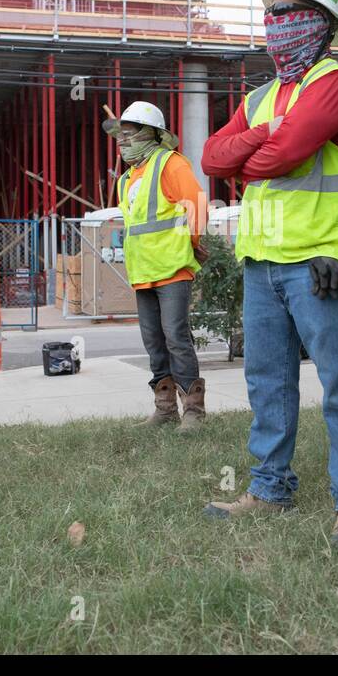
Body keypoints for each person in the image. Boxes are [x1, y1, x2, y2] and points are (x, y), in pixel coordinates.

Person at [201, 0, 338, 548]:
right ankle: (269, 487)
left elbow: (285, 156)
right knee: (266, 380)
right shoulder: (260, 97)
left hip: (318, 262)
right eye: (270, 14)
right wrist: (259, 142)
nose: (274, 26)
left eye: (286, 14)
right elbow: (210, 157)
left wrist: (250, 152)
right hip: (262, 262)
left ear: (319, 25)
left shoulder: (337, 84)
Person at [105, 101, 208, 433]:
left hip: (173, 267)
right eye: (119, 137)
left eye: (128, 134)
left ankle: (193, 411)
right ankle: (164, 410)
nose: (121, 142)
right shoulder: (126, 180)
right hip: (143, 273)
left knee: (176, 337)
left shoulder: (170, 164)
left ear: (150, 134)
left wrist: (190, 244)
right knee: (154, 342)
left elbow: (198, 206)